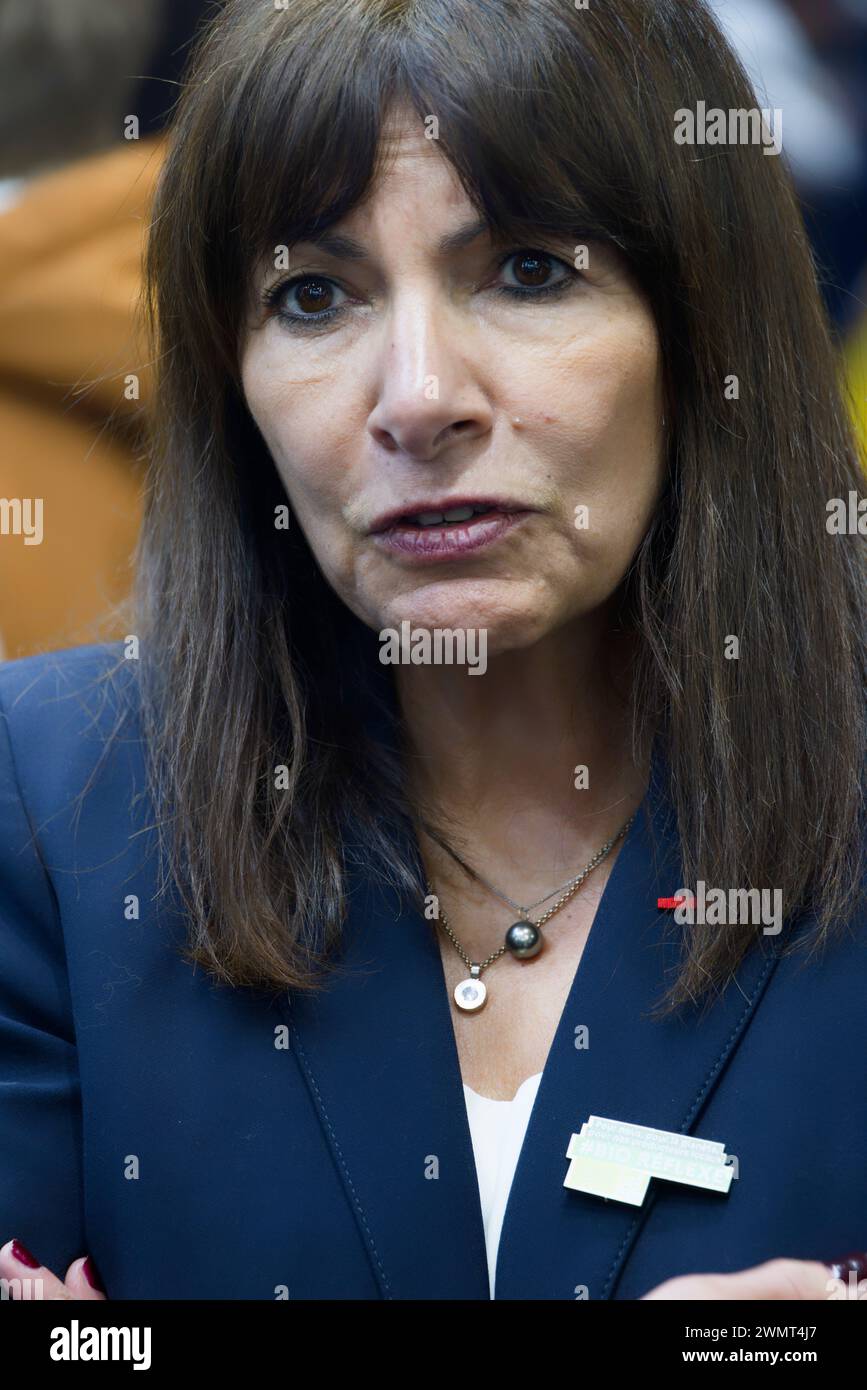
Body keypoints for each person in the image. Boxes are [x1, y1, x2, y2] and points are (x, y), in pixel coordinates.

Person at [0, 0, 865, 1302]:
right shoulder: (49, 800)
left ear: (705, 331)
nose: (416, 398)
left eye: (527, 272)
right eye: (313, 296)